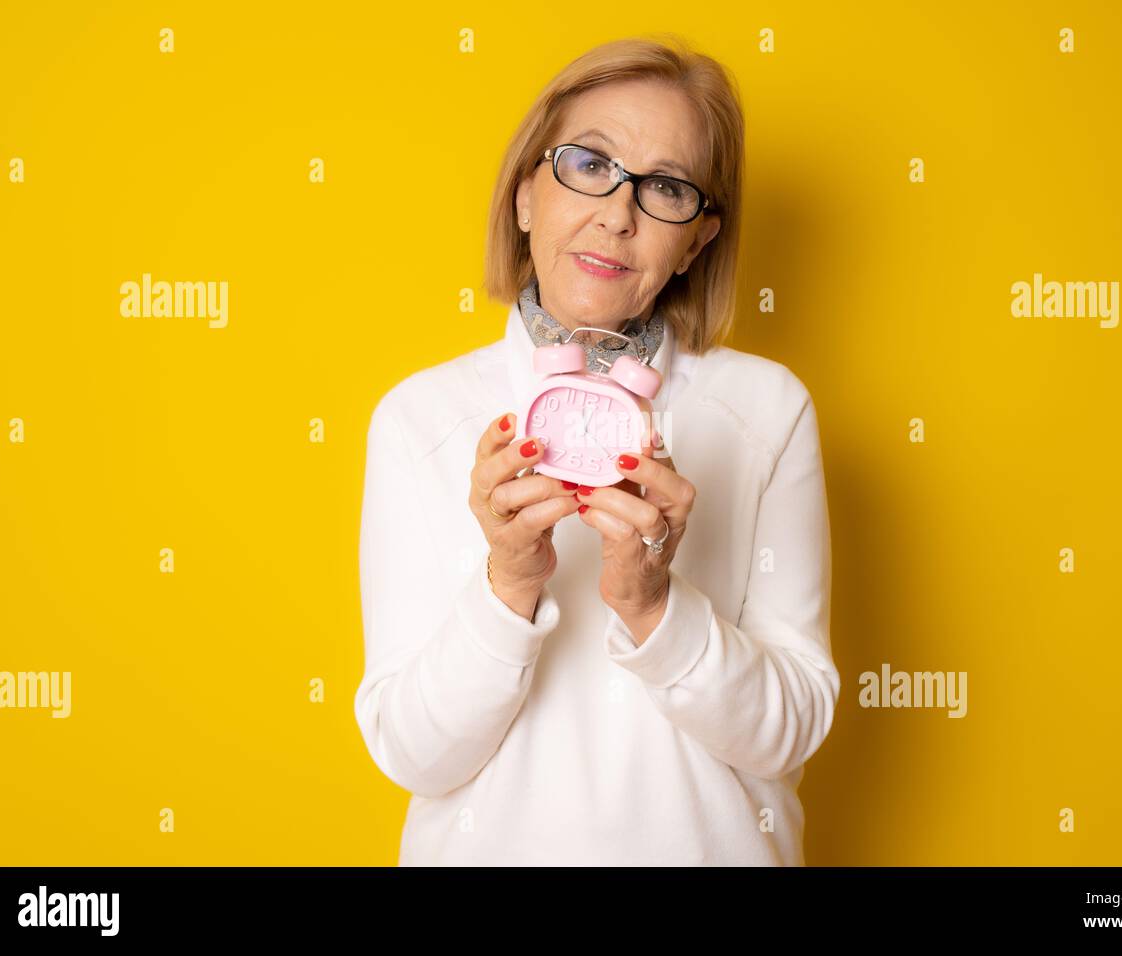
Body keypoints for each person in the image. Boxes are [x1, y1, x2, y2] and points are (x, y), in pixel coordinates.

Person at [354, 35, 839, 865]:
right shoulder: (420, 418)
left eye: (666, 189)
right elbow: (412, 754)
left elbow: (790, 731)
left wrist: (655, 606)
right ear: (524, 197)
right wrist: (508, 585)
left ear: (697, 240)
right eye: (589, 164)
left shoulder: (767, 410)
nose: (618, 213)